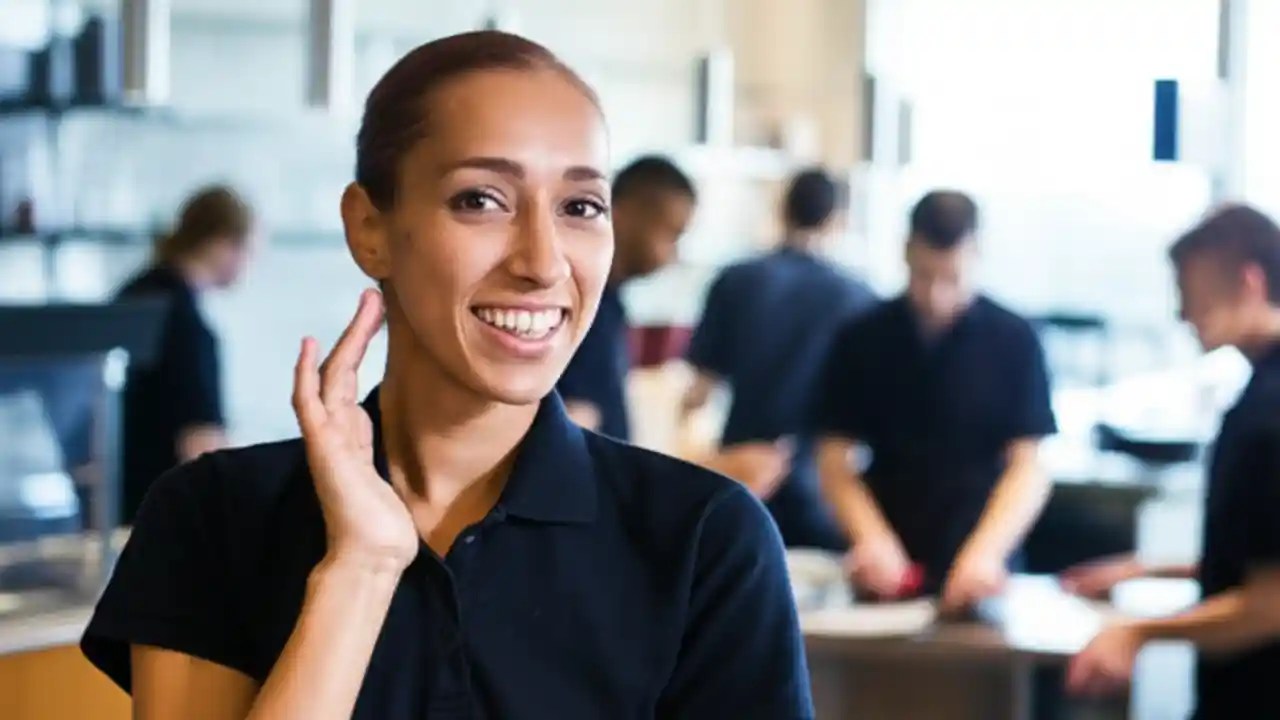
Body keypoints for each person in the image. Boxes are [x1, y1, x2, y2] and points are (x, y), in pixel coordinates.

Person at [80, 31, 811, 720]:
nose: (543, 261)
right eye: (481, 200)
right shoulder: (214, 518)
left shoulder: (705, 540)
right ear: (369, 228)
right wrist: (361, 569)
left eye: (581, 206)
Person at [1065, 205, 1280, 719]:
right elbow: (1262, 555)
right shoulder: (1258, 394)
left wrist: (1137, 633)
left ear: (1249, 282)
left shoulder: (1271, 414)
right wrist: (1149, 570)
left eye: (1191, 292)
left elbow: (1271, 605)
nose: (1183, 313)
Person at [812, 190, 1057, 611]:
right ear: (906, 253)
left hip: (982, 563)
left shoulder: (1015, 339)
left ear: (977, 256)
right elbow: (835, 461)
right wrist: (871, 539)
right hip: (885, 564)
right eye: (924, 276)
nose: (936, 297)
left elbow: (1027, 467)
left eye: (952, 279)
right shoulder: (861, 337)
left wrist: (985, 553)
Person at [680, 167, 877, 549]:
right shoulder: (860, 298)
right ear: (839, 220)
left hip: (742, 476)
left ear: (782, 208)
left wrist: (690, 462)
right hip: (823, 489)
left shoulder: (736, 280)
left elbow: (698, 395)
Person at [114, 185, 254, 524]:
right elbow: (201, 445)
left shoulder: (136, 294)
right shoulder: (186, 325)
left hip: (116, 501)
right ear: (223, 243)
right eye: (248, 250)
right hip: (159, 514)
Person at [556, 155, 695, 441]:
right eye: (671, 234)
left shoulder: (613, 306)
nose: (674, 254)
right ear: (624, 213)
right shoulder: (574, 305)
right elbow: (575, 418)